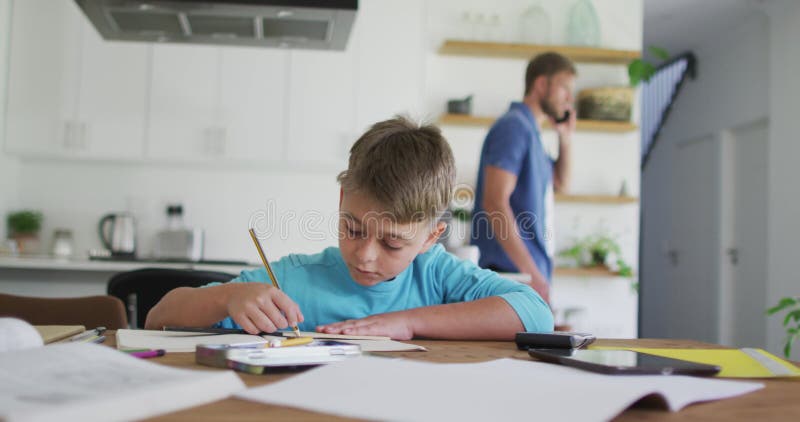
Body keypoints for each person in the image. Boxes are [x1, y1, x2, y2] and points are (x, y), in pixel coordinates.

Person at [145, 116, 553, 340]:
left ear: (431, 237)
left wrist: (408, 322)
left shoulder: (437, 276)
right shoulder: (292, 279)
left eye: (392, 243)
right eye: (353, 230)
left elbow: (536, 313)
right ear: (342, 200)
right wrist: (227, 297)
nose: (365, 255)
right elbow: (156, 319)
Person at [471, 52, 576, 304]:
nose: (569, 99)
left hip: (524, 274)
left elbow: (561, 183)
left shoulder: (532, 133)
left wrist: (565, 138)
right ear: (541, 84)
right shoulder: (514, 127)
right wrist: (532, 274)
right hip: (511, 276)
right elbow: (494, 202)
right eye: (564, 88)